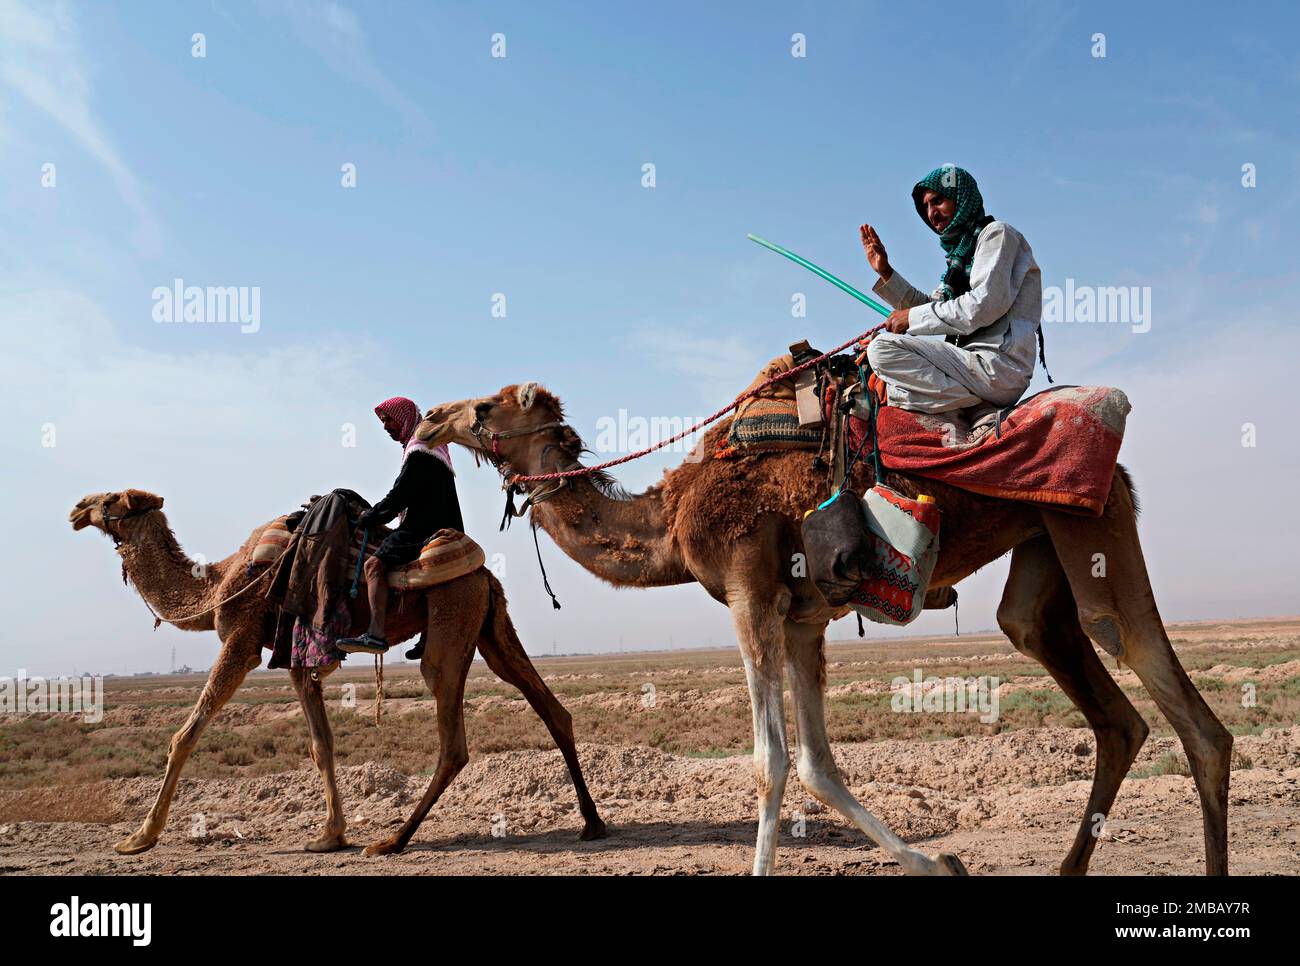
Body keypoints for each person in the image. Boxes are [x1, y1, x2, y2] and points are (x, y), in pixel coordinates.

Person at [859, 165, 1046, 415]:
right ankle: (950, 402)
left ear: (961, 197)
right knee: (882, 361)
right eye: (925, 207)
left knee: (881, 349)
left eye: (937, 201)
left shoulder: (997, 235)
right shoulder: (959, 260)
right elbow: (929, 306)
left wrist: (910, 319)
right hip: (969, 365)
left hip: (997, 366)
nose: (931, 213)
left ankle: (964, 403)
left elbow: (982, 307)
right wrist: (886, 272)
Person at [336, 397, 463, 658]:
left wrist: (369, 517)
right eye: (383, 422)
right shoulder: (434, 448)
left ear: (404, 417)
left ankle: (375, 633)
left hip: (423, 527)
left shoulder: (419, 450)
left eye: (388, 420)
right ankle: (427, 633)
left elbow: (399, 496)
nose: (385, 427)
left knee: (373, 565)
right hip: (444, 523)